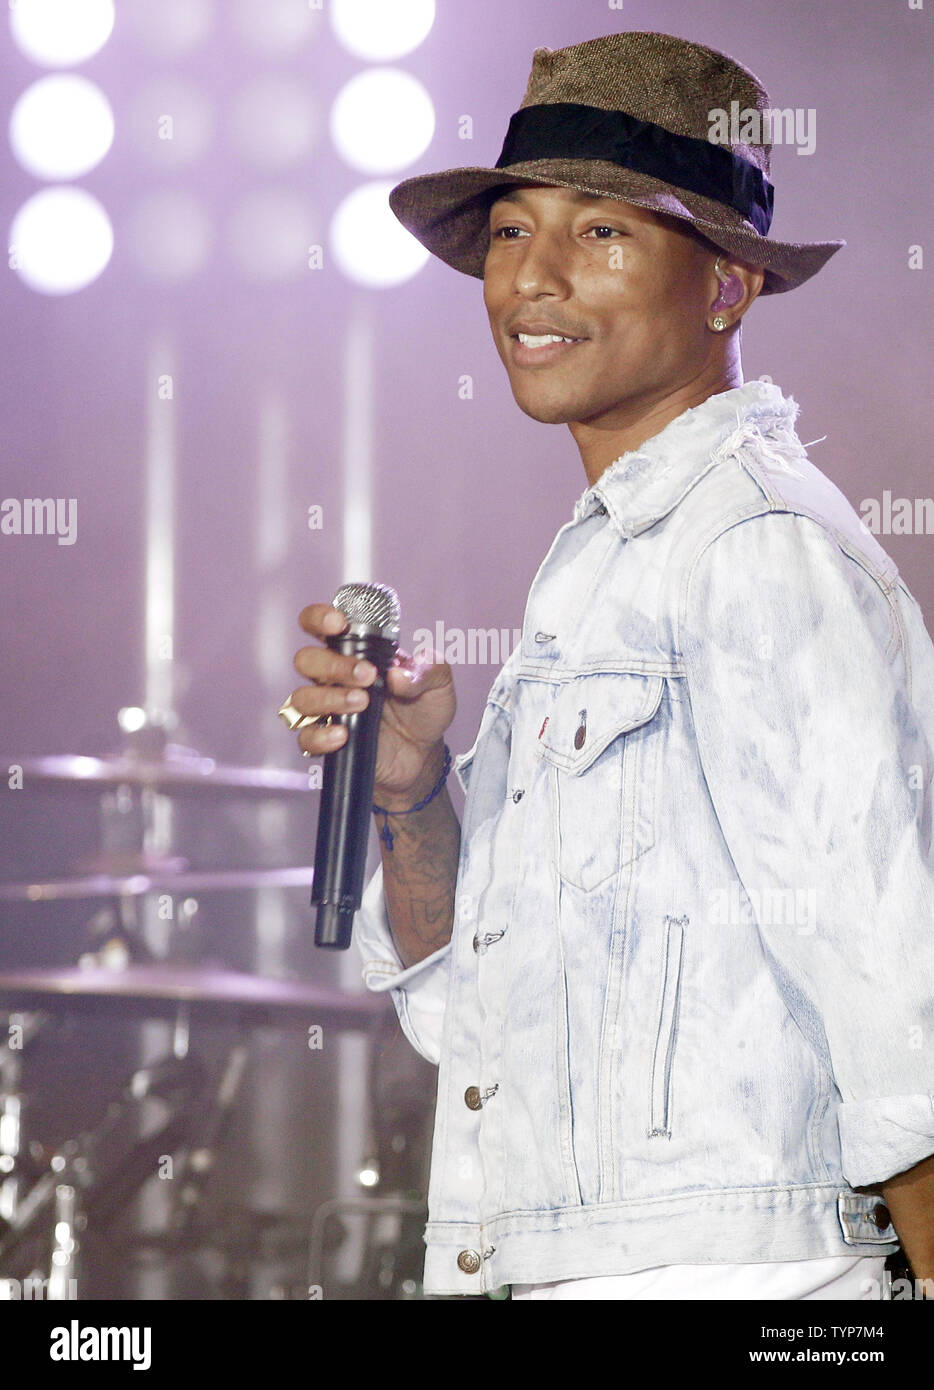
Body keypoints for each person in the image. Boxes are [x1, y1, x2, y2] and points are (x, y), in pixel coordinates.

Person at [282, 32, 934, 1299]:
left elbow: (904, 1013)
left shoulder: (753, 551)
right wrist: (414, 802)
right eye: (515, 230)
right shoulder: (610, 564)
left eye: (602, 234)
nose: (530, 279)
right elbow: (470, 1019)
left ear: (727, 287)